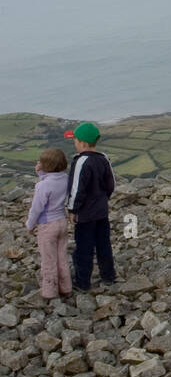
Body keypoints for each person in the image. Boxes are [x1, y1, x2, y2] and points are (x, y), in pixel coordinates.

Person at [65, 122, 116, 291]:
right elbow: (111, 184)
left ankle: (83, 282)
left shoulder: (80, 162)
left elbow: (76, 189)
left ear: (82, 143)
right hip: (101, 211)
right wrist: (104, 199)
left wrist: (72, 209)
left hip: (85, 214)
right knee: (104, 244)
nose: (74, 143)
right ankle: (108, 276)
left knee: (84, 248)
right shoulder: (104, 158)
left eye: (75, 140)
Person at [26, 147, 71, 300]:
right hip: (62, 222)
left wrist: (30, 225)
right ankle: (66, 287)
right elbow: (52, 180)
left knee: (48, 259)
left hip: (47, 225)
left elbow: (36, 208)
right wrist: (41, 173)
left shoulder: (42, 186)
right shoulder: (65, 178)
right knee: (61, 256)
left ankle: (50, 292)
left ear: (45, 165)